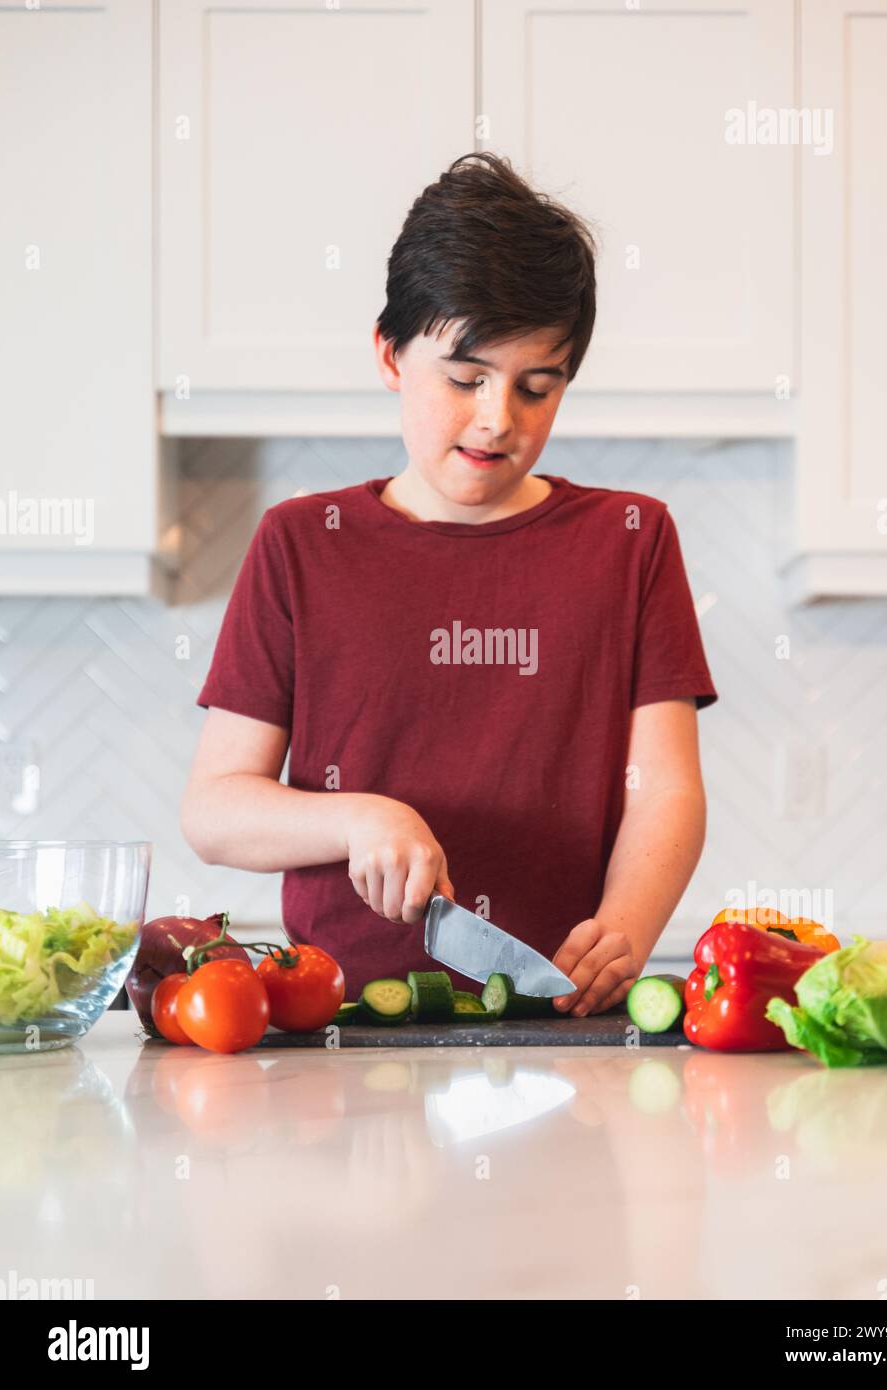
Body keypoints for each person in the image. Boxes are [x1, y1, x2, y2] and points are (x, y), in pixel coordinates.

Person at [181, 151, 718, 1015]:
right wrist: (356, 818)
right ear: (391, 355)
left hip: (560, 1016)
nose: (498, 417)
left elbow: (665, 787)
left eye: (537, 387)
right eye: (466, 378)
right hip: (337, 1020)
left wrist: (626, 923)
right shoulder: (300, 544)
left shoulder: (631, 541)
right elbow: (213, 810)